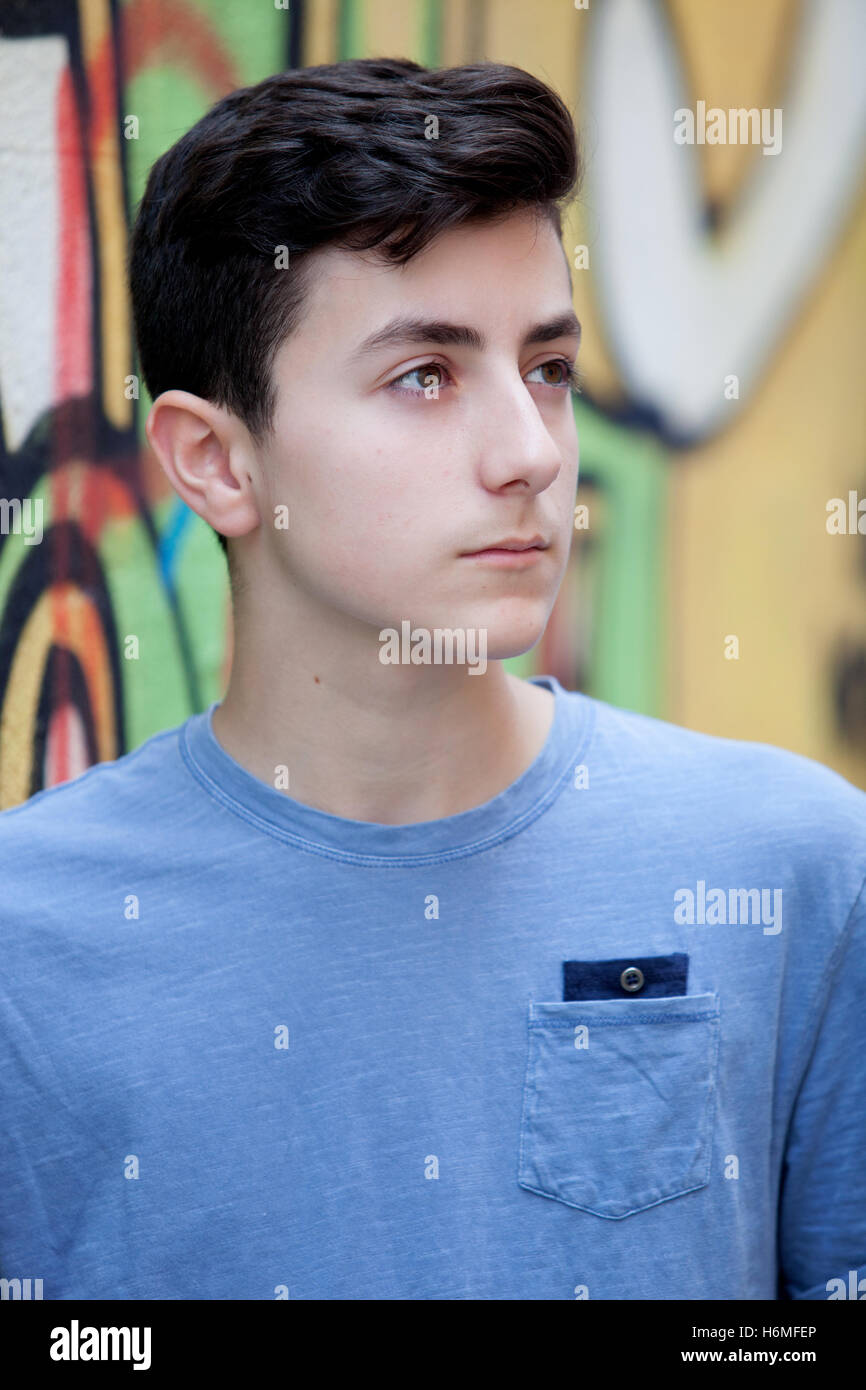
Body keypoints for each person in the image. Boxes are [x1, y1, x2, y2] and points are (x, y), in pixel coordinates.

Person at [0, 57, 863, 1302]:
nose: (528, 452)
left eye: (548, 369)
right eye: (425, 375)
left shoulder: (793, 872)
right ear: (216, 463)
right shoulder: (28, 945)